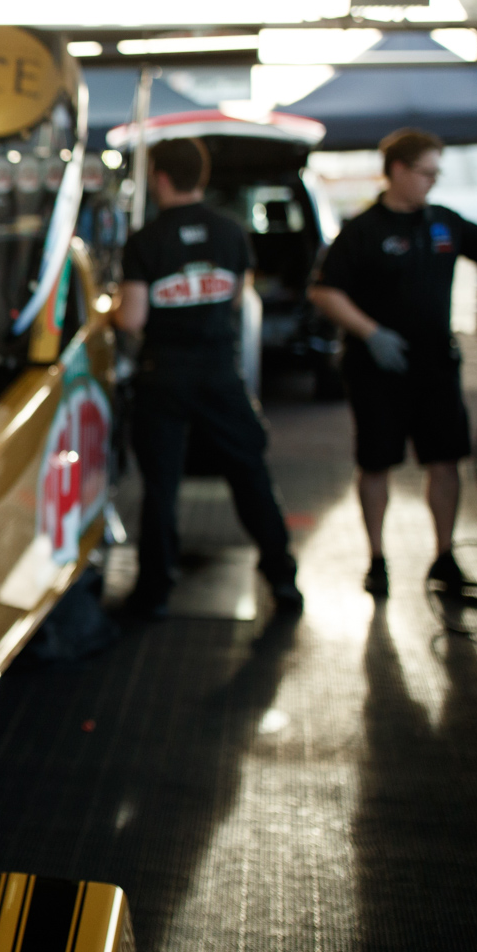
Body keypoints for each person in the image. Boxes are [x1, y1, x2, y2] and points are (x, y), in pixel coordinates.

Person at [309, 127, 477, 599]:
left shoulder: (444, 223)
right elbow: (324, 290)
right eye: (426, 172)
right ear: (399, 171)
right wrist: (371, 333)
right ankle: (377, 560)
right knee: (376, 463)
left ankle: (444, 556)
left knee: (445, 461)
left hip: (435, 366)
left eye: (436, 173)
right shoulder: (363, 231)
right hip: (377, 368)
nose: (432, 181)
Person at [116, 137, 302, 619]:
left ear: (159, 177)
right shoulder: (232, 233)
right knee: (250, 472)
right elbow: (239, 300)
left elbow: (132, 319)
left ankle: (154, 592)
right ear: (200, 176)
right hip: (220, 371)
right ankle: (282, 579)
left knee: (162, 487)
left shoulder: (145, 242)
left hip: (164, 375)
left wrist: (113, 314)